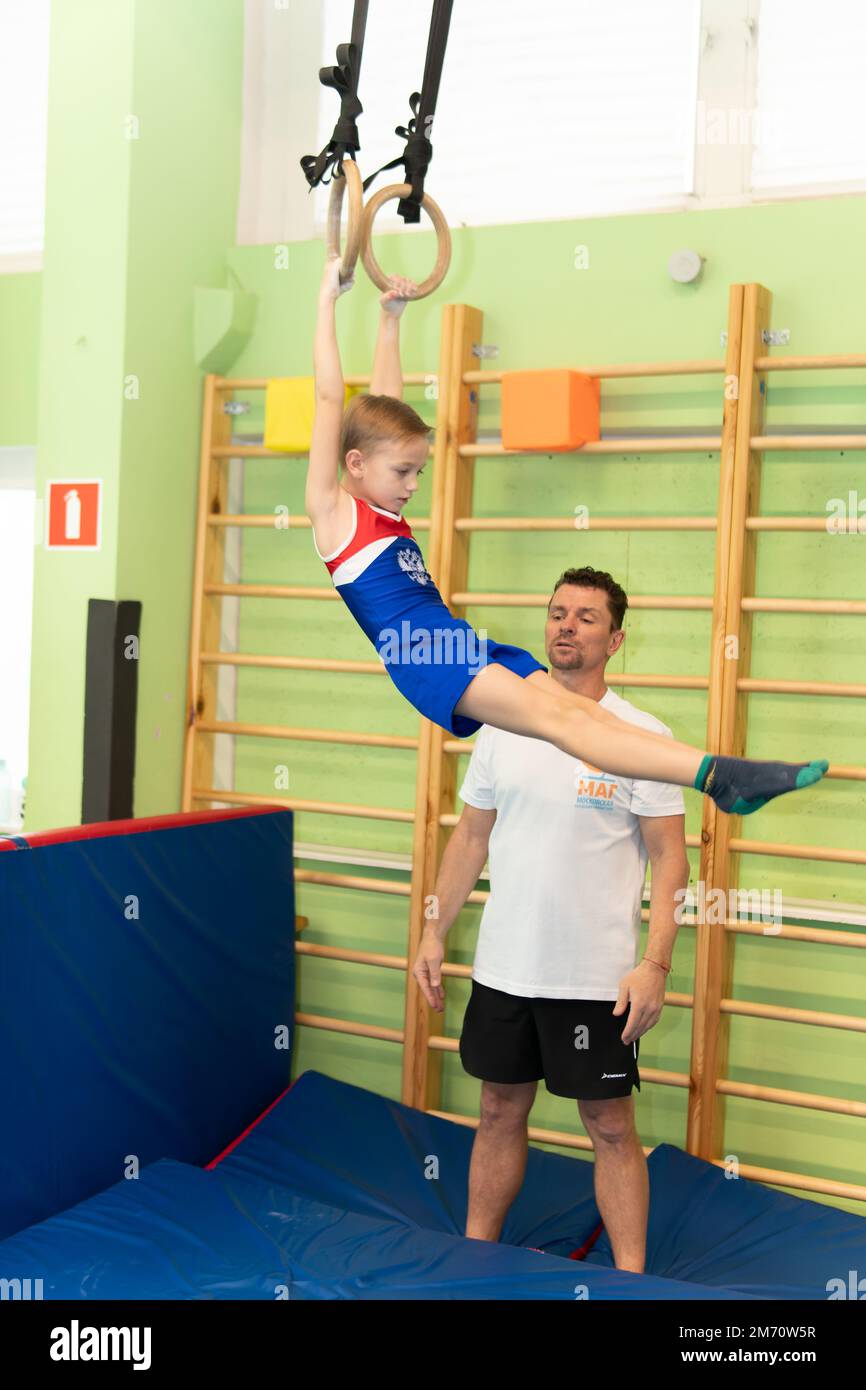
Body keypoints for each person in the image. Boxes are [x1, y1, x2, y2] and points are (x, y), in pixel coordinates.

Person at [306, 254, 828, 812]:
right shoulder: (333, 511)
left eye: (417, 472)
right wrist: (327, 300)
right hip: (421, 653)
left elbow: (390, 407)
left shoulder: (381, 503)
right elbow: (329, 399)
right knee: (562, 723)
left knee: (583, 712)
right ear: (354, 462)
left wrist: (392, 320)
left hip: (452, 638)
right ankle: (720, 778)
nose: (412, 485)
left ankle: (723, 774)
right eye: (402, 473)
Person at [412, 566, 687, 1271]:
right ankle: (477, 1254)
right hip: (507, 968)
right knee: (499, 1111)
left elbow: (670, 861)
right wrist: (434, 931)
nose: (566, 625)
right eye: (558, 612)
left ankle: (631, 1278)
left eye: (586, 617)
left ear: (616, 639)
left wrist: (654, 965)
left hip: (596, 980)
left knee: (611, 1126)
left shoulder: (641, 736)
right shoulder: (503, 724)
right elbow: (471, 836)